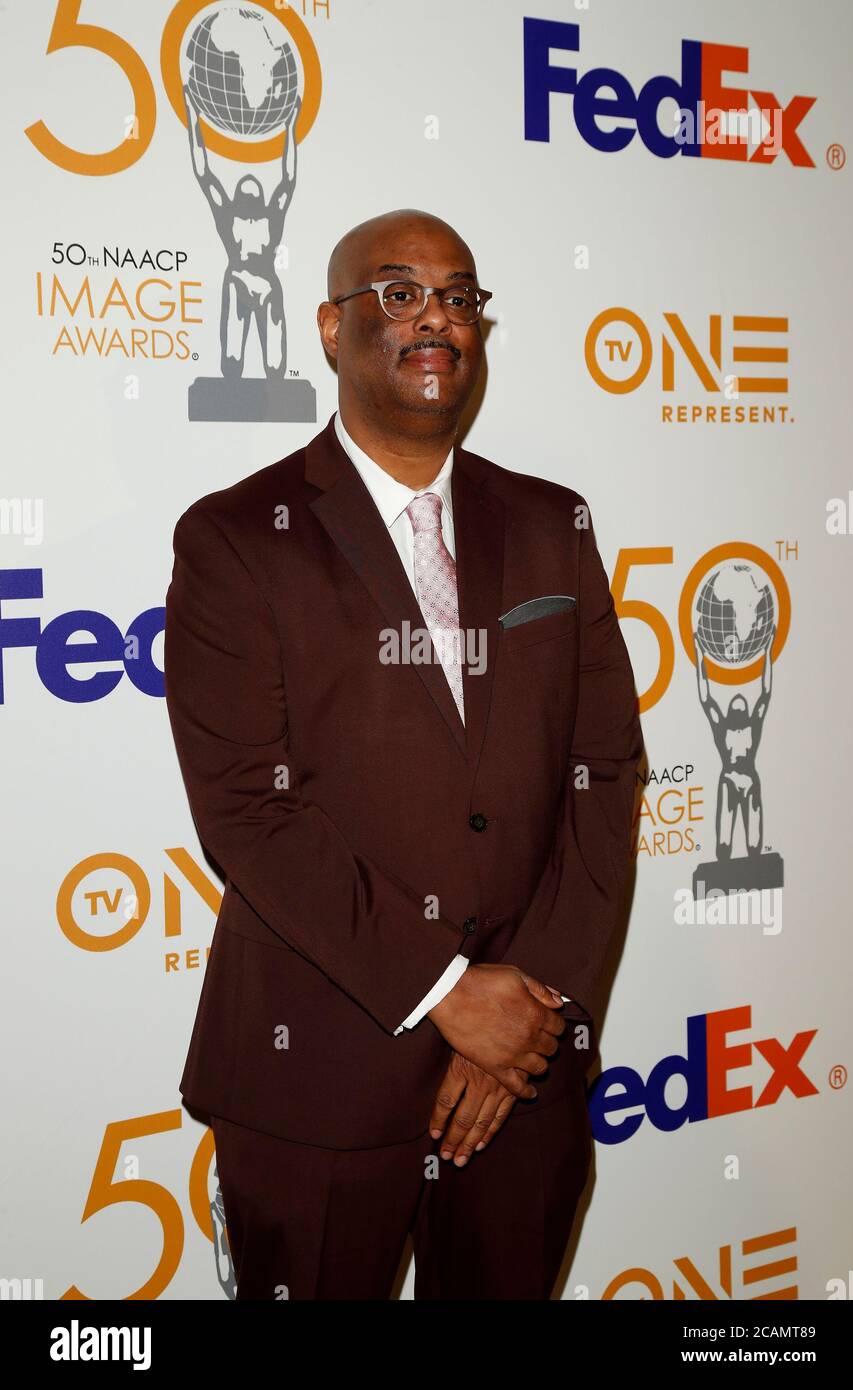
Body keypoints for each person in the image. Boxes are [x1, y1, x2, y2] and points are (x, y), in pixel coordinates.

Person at [164, 207, 643, 1300]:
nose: (436, 318)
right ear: (331, 327)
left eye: (458, 297)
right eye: (398, 292)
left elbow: (603, 772)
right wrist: (443, 991)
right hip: (317, 1080)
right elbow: (247, 810)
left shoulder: (549, 524)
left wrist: (528, 1007)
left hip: (520, 1076)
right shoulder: (237, 537)